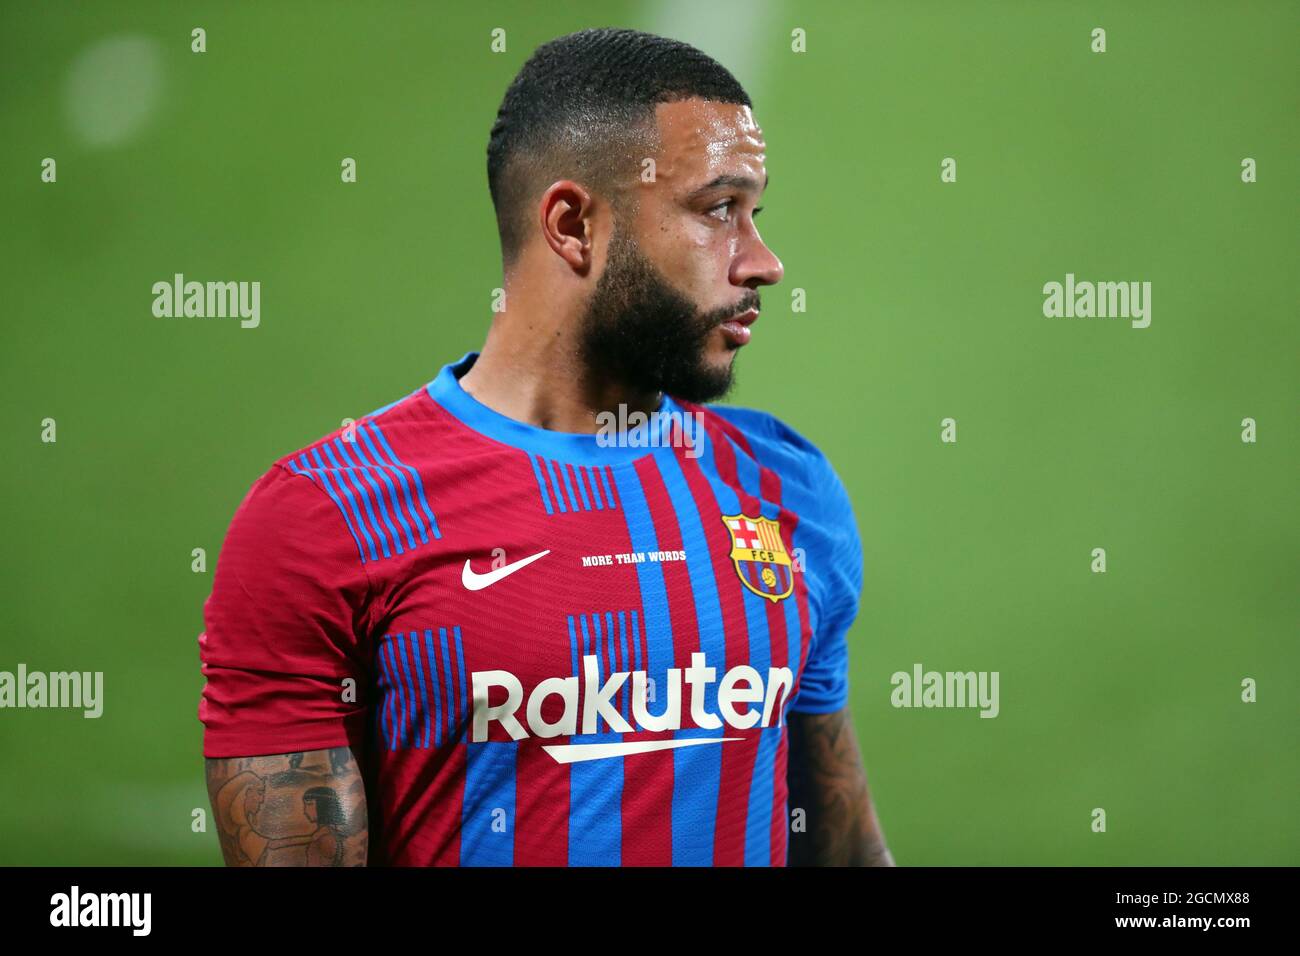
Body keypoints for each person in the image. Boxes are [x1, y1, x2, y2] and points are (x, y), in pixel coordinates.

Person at [200, 26, 893, 867]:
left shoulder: (787, 489)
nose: (765, 261)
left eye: (756, 213)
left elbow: (843, 853)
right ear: (572, 224)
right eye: (719, 211)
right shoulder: (327, 518)